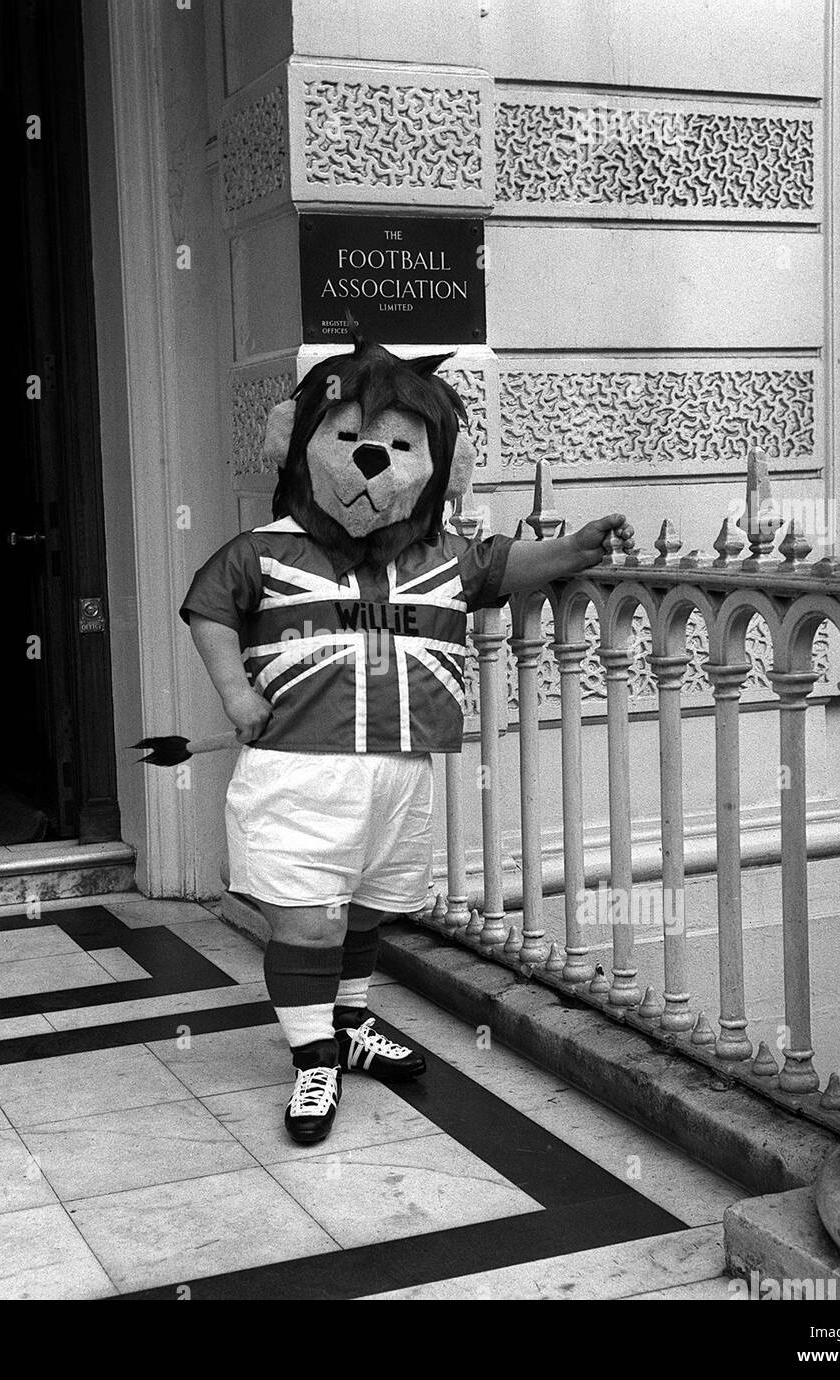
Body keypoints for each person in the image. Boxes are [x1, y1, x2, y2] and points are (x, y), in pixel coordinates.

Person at [180, 336, 631, 1144]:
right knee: (306, 923)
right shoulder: (265, 552)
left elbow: (511, 565)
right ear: (297, 448)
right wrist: (234, 692)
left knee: (363, 916)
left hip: (399, 770)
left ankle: (348, 1024)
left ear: (439, 466)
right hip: (297, 773)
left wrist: (574, 548)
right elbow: (210, 608)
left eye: (397, 445)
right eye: (351, 437)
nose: (371, 459)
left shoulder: (442, 558)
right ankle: (312, 1057)